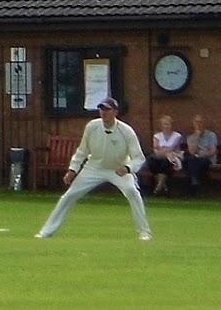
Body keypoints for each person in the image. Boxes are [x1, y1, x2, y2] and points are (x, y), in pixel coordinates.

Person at [35, 97, 153, 241]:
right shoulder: (92, 126)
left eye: (107, 109)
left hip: (118, 168)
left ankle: (145, 232)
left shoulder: (126, 131)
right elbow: (82, 151)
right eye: (101, 109)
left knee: (132, 191)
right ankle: (47, 232)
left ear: (115, 112)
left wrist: (128, 169)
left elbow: (139, 158)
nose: (103, 112)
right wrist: (73, 170)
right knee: (69, 195)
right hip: (94, 167)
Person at [144, 115, 185, 195]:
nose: (166, 126)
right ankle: (163, 185)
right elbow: (155, 148)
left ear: (171, 125)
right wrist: (163, 150)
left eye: (168, 124)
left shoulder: (177, 136)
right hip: (159, 156)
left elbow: (173, 148)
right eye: (164, 124)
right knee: (152, 161)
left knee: (166, 163)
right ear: (161, 126)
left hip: (173, 157)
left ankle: (159, 186)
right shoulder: (157, 136)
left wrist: (161, 149)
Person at [184, 114, 220, 197]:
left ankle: (193, 184)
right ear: (193, 123)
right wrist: (197, 137)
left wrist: (201, 154)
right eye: (196, 122)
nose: (198, 124)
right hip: (195, 160)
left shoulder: (211, 135)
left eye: (200, 122)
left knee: (196, 162)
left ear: (204, 123)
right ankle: (195, 183)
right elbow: (192, 152)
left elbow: (213, 151)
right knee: (188, 161)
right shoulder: (190, 138)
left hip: (208, 159)